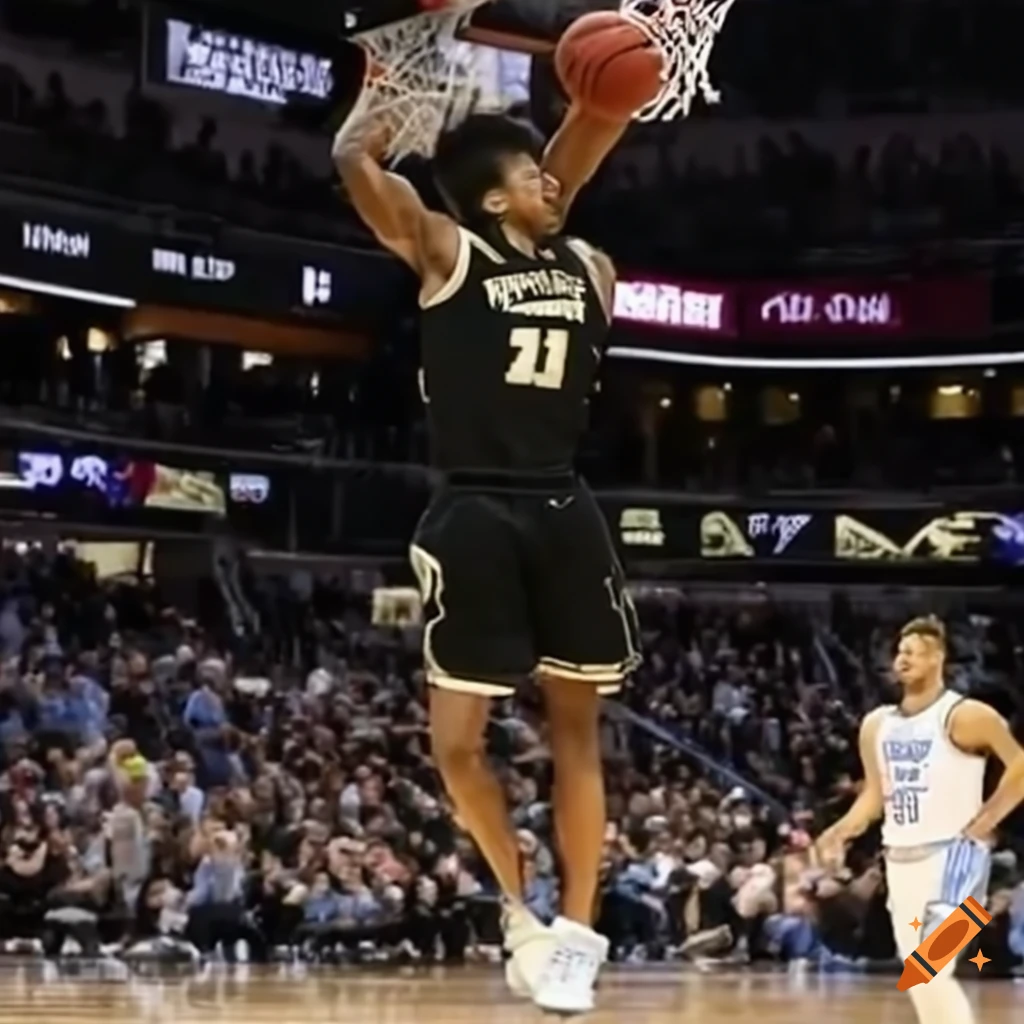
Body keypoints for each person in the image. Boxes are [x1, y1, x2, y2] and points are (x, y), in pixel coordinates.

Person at [332, 73, 644, 1014]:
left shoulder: (589, 265)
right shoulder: (446, 251)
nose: (553, 186)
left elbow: (576, 156)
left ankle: (578, 936)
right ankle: (518, 909)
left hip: (561, 505)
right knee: (456, 745)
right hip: (472, 508)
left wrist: (614, 96)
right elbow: (361, 166)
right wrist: (369, 117)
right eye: (530, 178)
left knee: (576, 727)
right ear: (496, 197)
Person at [817, 616, 1024, 1024]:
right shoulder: (877, 725)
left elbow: (1020, 764)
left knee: (930, 969)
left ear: (937, 659)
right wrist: (841, 830)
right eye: (899, 651)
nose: (902, 658)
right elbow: (875, 795)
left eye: (912, 651)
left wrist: (988, 818)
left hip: (957, 860)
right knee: (922, 978)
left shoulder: (966, 715)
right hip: (900, 861)